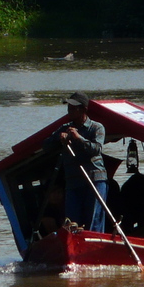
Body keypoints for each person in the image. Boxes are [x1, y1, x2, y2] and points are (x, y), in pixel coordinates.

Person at [42, 91, 108, 233]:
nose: (70, 111)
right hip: (73, 182)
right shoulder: (64, 128)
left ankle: (93, 247)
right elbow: (46, 146)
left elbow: (96, 149)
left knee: (93, 221)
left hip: (94, 180)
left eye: (74, 108)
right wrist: (59, 138)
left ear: (84, 109)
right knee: (72, 224)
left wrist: (78, 138)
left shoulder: (96, 127)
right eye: (69, 108)